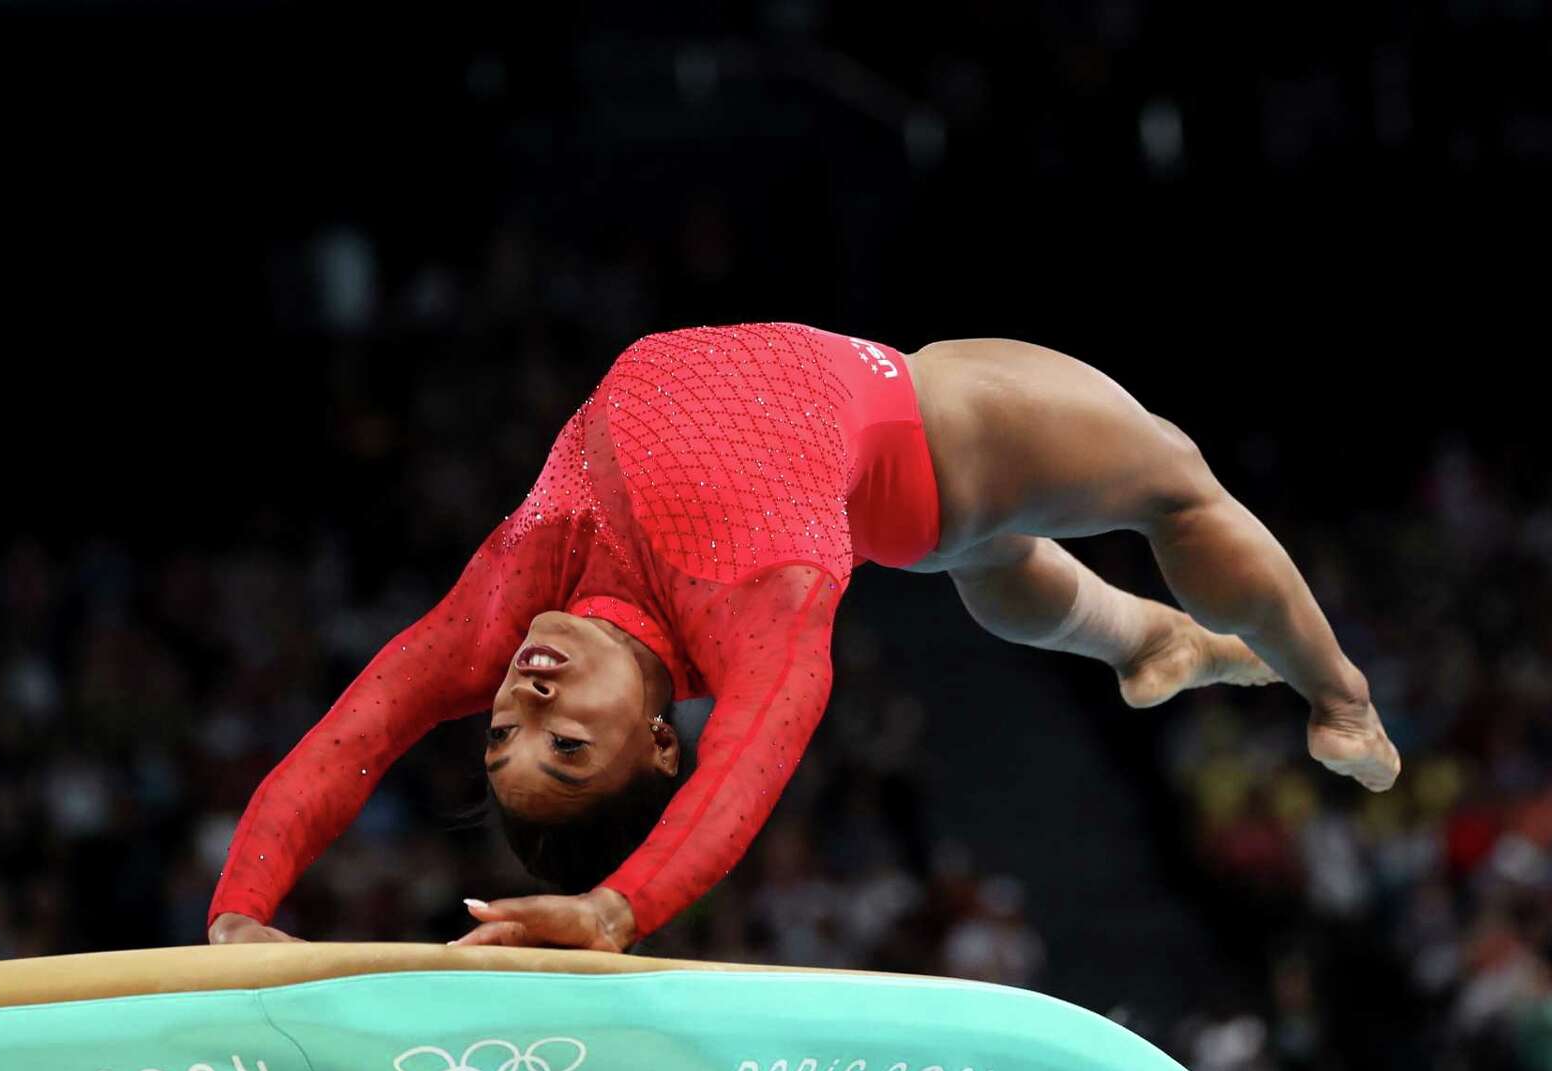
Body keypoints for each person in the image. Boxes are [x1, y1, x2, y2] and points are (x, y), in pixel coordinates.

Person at [208, 324, 1399, 953]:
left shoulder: (500, 614)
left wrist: (239, 910)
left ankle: (1146, 642)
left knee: (992, 560)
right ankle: (1342, 698)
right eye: (568, 745)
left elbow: (351, 737)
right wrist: (621, 909)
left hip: (865, 424)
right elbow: (749, 768)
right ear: (660, 743)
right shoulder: (756, 607)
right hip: (933, 434)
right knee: (1178, 481)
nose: (527, 699)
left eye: (503, 736)